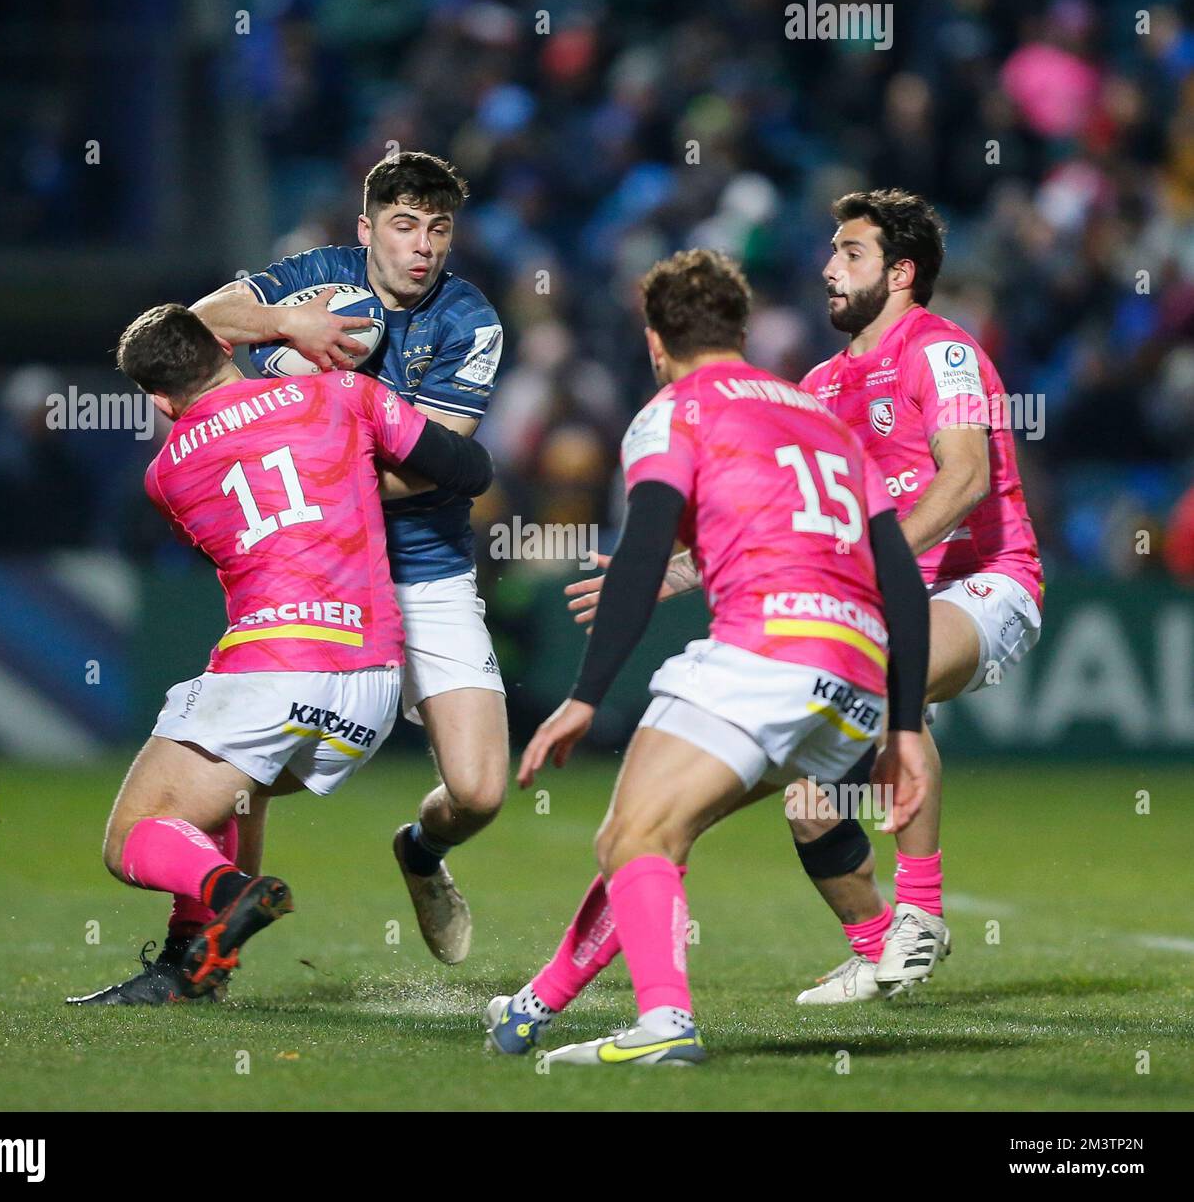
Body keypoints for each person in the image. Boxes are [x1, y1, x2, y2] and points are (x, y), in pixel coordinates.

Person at [567, 190, 1045, 1004]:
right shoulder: (821, 382)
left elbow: (965, 478)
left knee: (894, 653)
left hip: (984, 582)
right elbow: (780, 512)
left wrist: (868, 560)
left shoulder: (943, 351)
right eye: (831, 250)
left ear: (900, 272)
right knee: (809, 797)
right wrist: (681, 567)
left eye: (850, 253)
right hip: (887, 594)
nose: (829, 267)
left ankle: (922, 913)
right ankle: (876, 943)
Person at [488, 249, 930, 1065]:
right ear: (741, 328)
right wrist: (903, 725)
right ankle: (535, 1004)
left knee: (635, 836)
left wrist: (586, 694)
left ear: (656, 340)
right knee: (653, 832)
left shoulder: (674, 411)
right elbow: (900, 575)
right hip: (856, 675)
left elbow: (645, 548)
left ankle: (665, 1025)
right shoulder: (819, 416)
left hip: (766, 656)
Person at [67, 303, 493, 1005]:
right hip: (370, 682)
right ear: (225, 345)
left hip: (275, 662)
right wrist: (356, 458)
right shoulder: (343, 394)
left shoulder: (166, 473)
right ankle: (192, 968)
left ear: (159, 399)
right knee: (240, 791)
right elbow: (469, 469)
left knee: (133, 838)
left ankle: (236, 891)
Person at [190, 151, 506, 966]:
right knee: (243, 774)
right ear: (367, 229)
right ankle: (208, 950)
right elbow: (204, 321)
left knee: (479, 791)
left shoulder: (470, 320)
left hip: (427, 569)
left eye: (438, 229)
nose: (422, 247)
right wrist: (290, 324)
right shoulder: (316, 275)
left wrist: (314, 472)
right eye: (404, 227)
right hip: (317, 571)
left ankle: (421, 852)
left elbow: (440, 460)